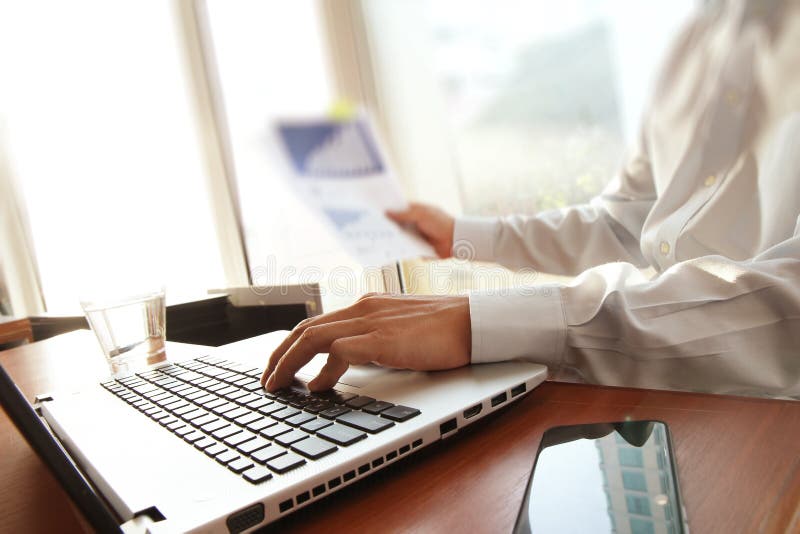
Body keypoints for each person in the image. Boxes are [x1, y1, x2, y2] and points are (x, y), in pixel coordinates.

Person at [262, 0, 800, 398]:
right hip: (667, 395)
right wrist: (461, 236)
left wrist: (480, 323)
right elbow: (626, 223)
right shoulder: (698, 39)